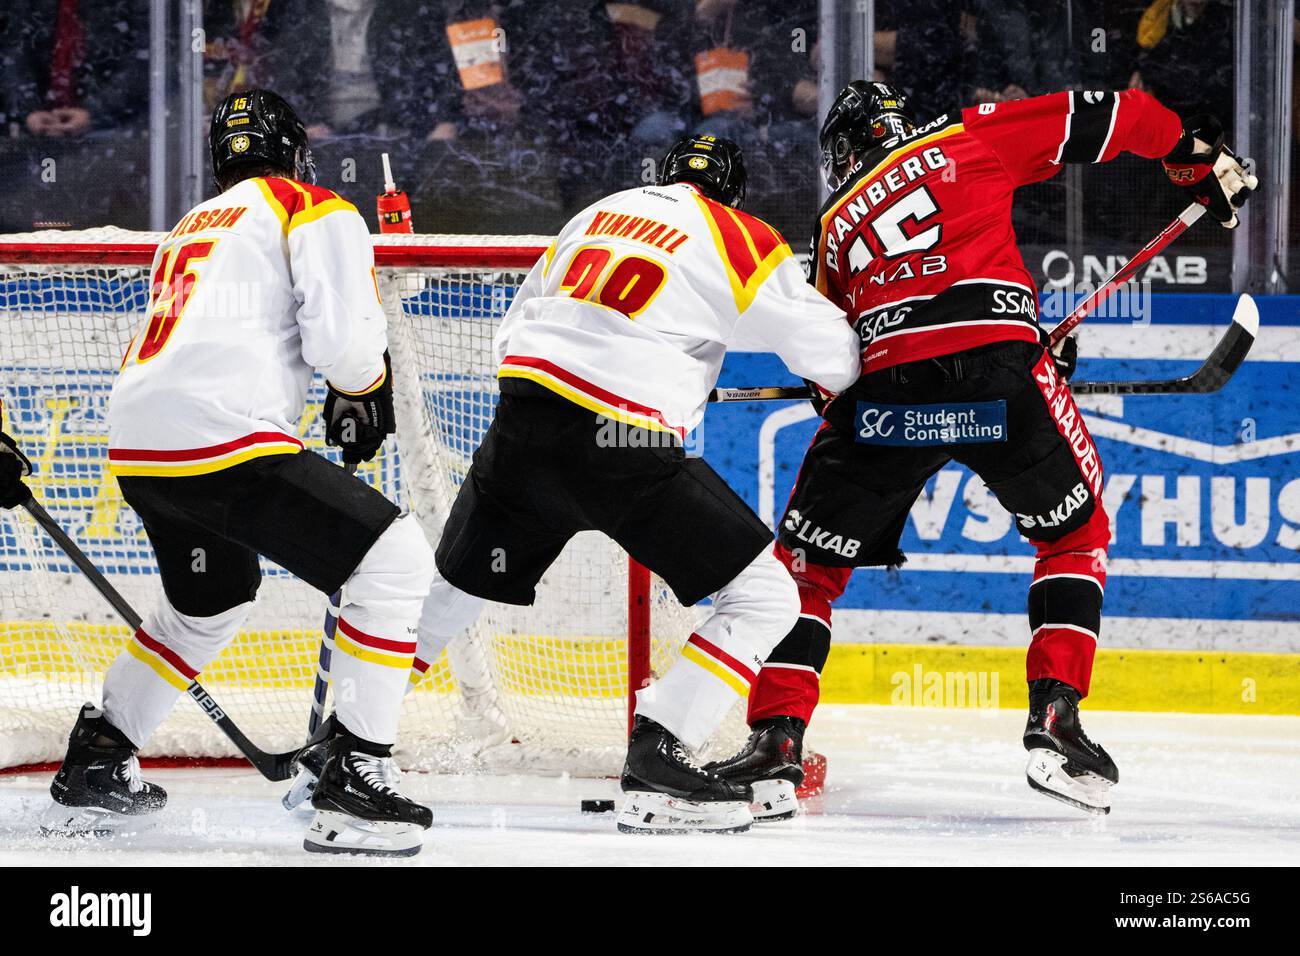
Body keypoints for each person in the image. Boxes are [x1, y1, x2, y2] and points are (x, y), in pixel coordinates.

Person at [706, 80, 1255, 818]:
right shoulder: (965, 137)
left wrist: (846, 395)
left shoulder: (835, 222)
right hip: (1003, 378)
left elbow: (831, 365)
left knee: (807, 572)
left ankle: (775, 745)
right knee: (1075, 536)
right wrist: (1190, 153)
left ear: (846, 146)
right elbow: (1122, 113)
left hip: (887, 393)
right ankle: (1055, 719)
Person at [413, 134, 860, 834]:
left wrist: (663, 378)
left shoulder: (599, 212)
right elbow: (831, 355)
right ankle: (658, 753)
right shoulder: (740, 235)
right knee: (766, 596)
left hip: (521, 423)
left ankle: (346, 739)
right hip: (619, 443)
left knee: (453, 590)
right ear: (733, 193)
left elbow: (515, 329)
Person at [41, 89, 438, 858]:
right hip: (220, 439)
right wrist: (362, 391)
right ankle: (355, 773)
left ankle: (99, 758)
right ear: (294, 150)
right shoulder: (310, 206)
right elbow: (347, 351)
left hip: (139, 440)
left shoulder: (194, 223)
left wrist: (343, 388)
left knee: (208, 601)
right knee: (392, 562)